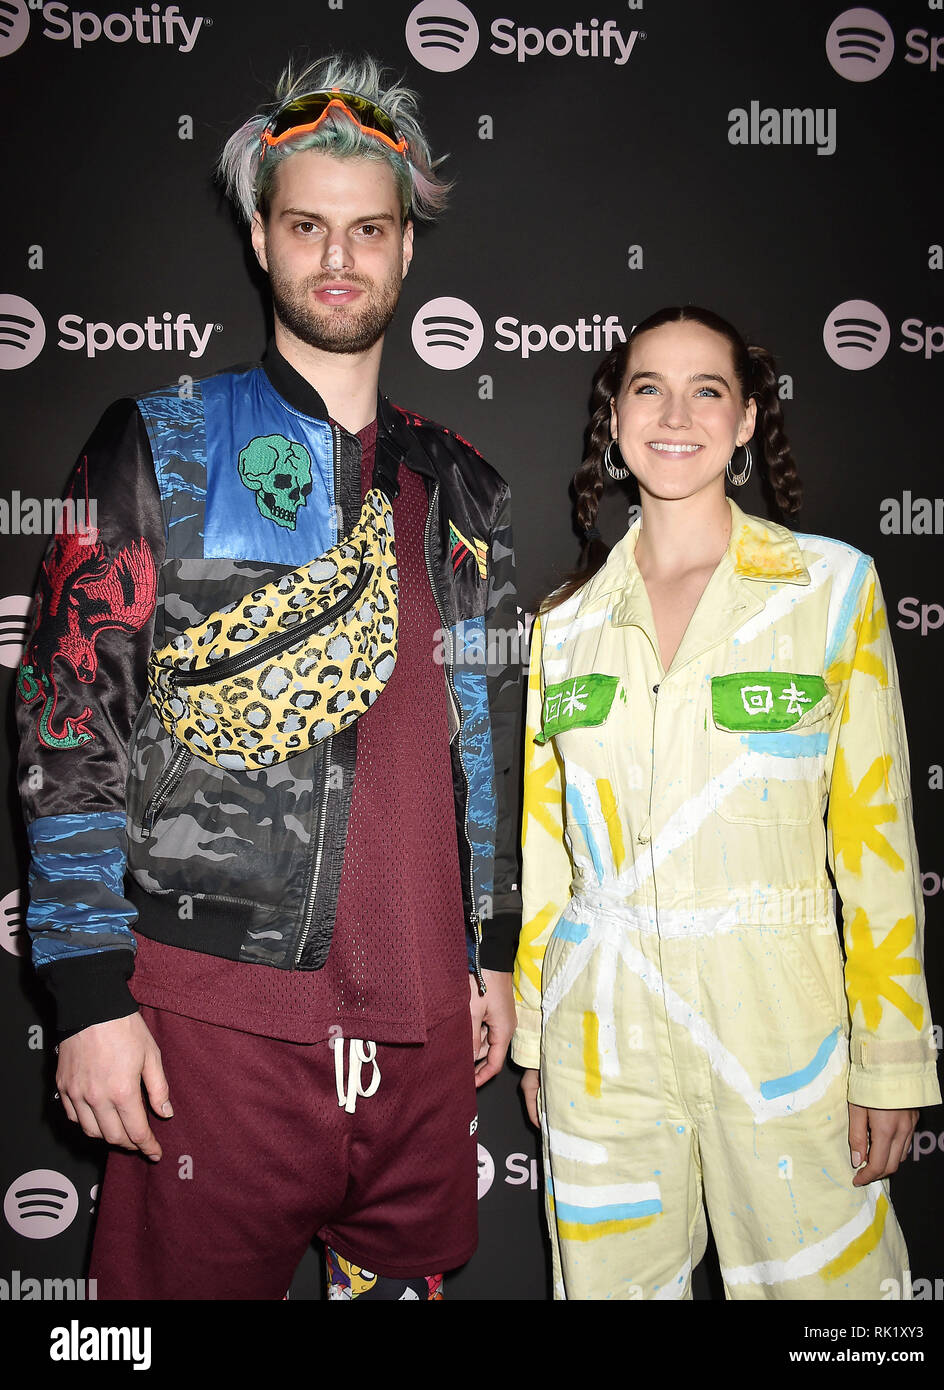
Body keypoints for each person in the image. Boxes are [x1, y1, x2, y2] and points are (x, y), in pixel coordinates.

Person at [16, 56, 521, 1301]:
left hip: (421, 1030)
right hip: (212, 1026)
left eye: (367, 229)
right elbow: (71, 718)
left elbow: (482, 732)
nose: (337, 256)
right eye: (306, 226)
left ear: (405, 249)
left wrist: (492, 948)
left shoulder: (462, 479)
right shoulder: (162, 439)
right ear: (260, 238)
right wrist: (87, 994)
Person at [512, 304, 940, 1301]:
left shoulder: (829, 589)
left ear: (745, 419)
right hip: (600, 1037)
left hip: (783, 1034)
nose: (675, 415)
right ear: (615, 418)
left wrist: (887, 1059)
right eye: (647, 389)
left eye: (706, 390)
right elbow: (546, 854)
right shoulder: (564, 625)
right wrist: (538, 1032)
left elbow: (876, 848)